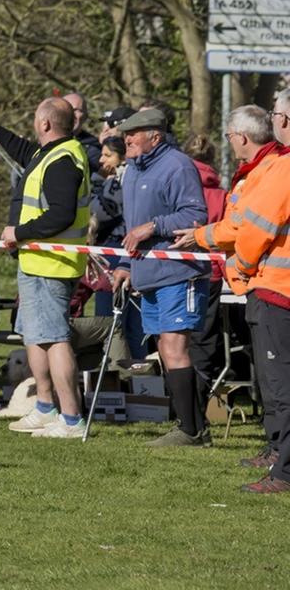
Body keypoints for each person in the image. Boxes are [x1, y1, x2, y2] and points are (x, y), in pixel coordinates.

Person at [186, 98, 290, 492]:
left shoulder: (280, 168)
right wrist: (200, 236)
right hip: (275, 290)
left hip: (275, 290)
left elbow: (252, 229)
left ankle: (284, 470)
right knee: (274, 384)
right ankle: (279, 454)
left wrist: (242, 270)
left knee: (279, 386)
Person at [0, 96, 90, 439]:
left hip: (51, 264)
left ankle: (71, 418)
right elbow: (25, 151)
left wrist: (19, 233)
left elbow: (62, 214)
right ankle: (45, 407)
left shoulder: (62, 159)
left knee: (55, 338)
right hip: (34, 261)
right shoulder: (48, 153)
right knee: (35, 335)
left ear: (45, 124)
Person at [110, 105, 211, 446]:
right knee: (166, 351)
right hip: (148, 274)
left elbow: (196, 215)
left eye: (132, 135)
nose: (127, 141)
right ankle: (196, 427)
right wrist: (125, 264)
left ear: (155, 135)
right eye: (124, 135)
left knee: (174, 346)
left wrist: (153, 227)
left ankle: (189, 430)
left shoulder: (178, 165)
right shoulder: (133, 170)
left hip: (179, 271)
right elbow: (130, 228)